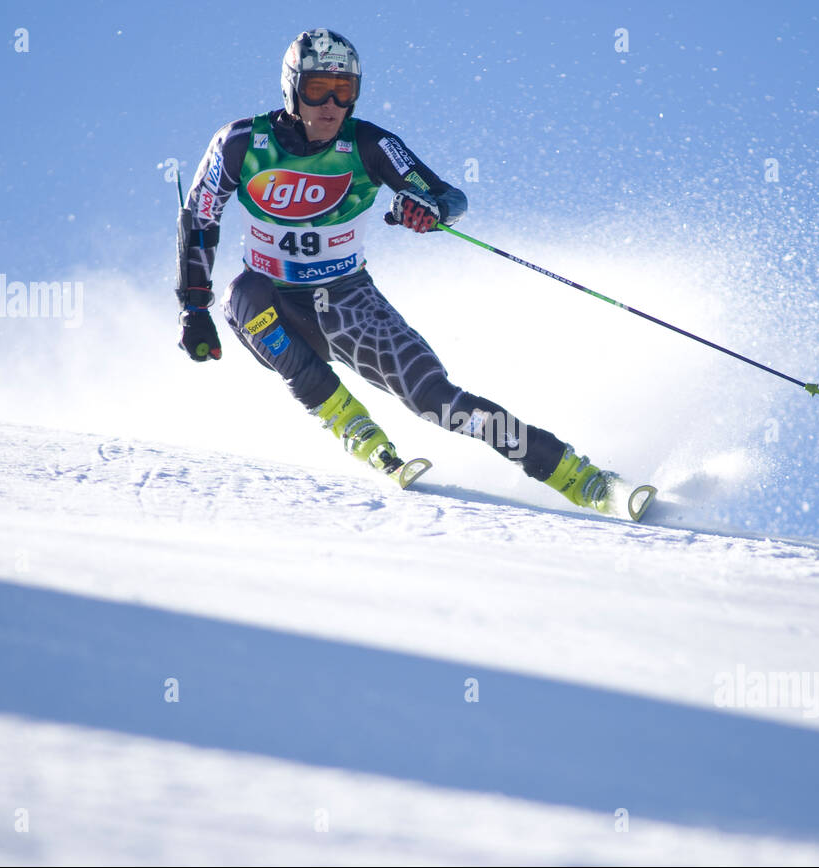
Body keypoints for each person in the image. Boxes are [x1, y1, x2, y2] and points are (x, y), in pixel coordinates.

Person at [174, 27, 640, 516]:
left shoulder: (369, 144)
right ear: (291, 89)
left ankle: (580, 477)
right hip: (275, 301)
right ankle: (358, 431)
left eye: (344, 91)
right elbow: (199, 217)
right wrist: (192, 307)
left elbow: (450, 197)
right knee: (243, 293)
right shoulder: (243, 142)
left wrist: (429, 210)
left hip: (349, 302)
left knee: (437, 400)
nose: (331, 104)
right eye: (316, 90)